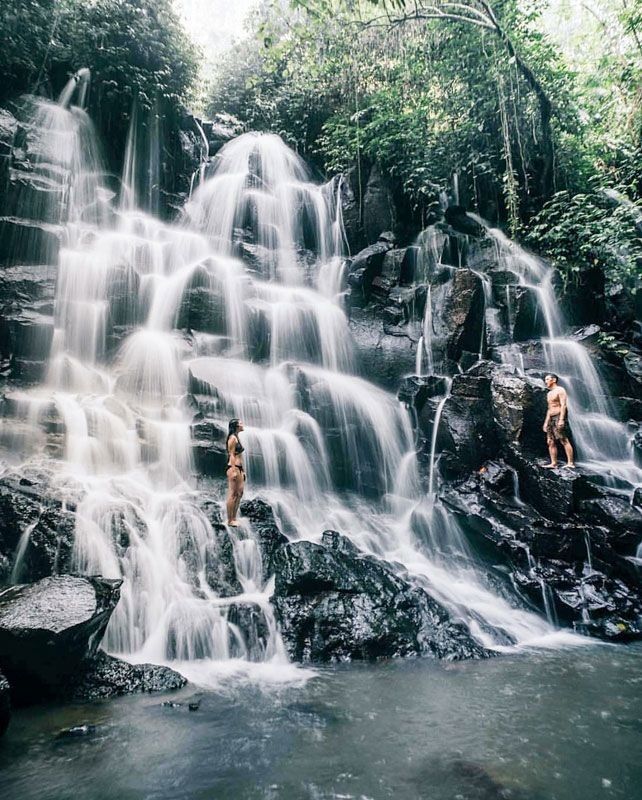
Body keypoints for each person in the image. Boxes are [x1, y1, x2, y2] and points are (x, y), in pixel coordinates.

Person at [542, 374, 575, 469]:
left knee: (563, 439)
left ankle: (570, 463)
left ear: (554, 380)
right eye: (545, 379)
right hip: (551, 418)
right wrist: (546, 422)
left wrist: (561, 419)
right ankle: (553, 463)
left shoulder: (560, 390)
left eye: (547, 379)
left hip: (558, 416)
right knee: (550, 441)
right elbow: (549, 408)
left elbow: (563, 405)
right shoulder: (549, 393)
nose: (545, 381)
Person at [225, 418, 245, 526]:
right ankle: (230, 520)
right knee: (233, 493)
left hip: (239, 468)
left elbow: (240, 456)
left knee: (240, 493)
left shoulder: (237, 437)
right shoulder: (232, 438)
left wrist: (243, 471)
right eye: (241, 423)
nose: (243, 424)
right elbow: (232, 454)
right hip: (233, 467)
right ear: (236, 426)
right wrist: (233, 470)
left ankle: (234, 517)